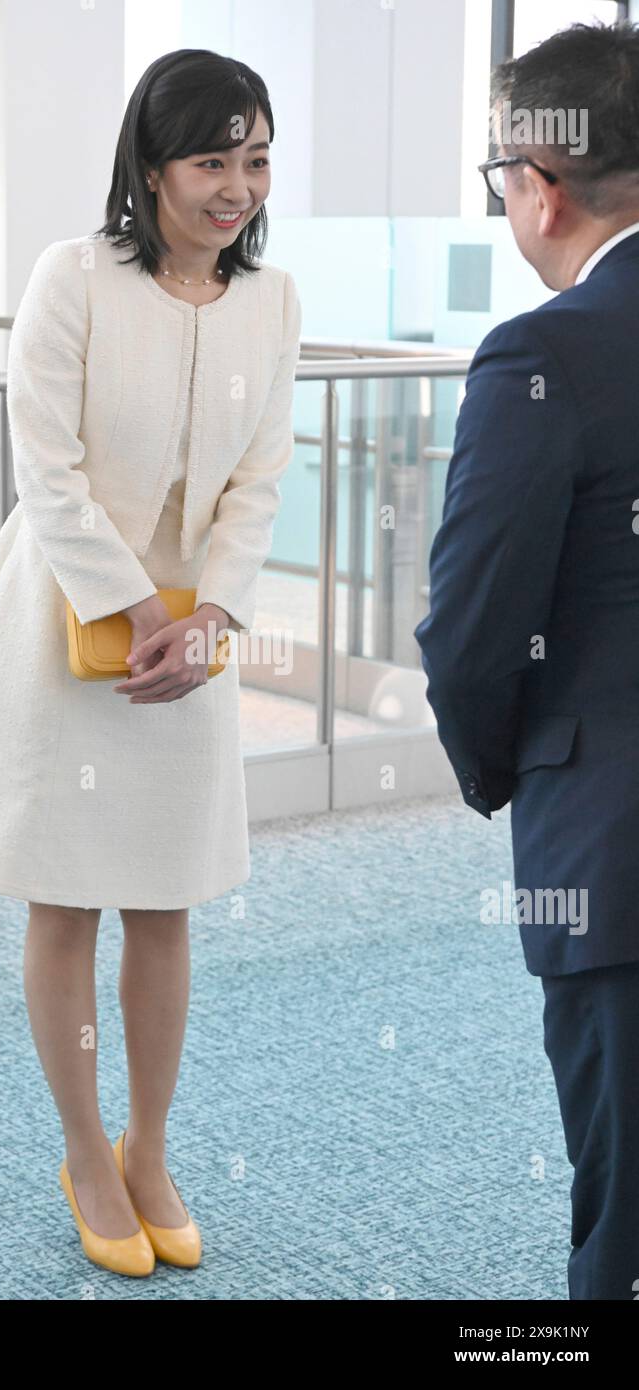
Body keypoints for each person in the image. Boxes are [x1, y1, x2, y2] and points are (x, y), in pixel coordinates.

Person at [0, 49, 302, 1277]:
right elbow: (48, 474)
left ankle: (150, 1144)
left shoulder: (273, 305)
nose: (237, 188)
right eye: (211, 162)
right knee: (66, 895)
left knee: (165, 899)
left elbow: (258, 481)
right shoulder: (72, 279)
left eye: (257, 160)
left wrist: (214, 614)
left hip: (194, 635)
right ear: (152, 166)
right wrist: (137, 610)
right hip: (70, 612)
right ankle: (81, 1149)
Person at [414, 19, 639, 1300]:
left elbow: (475, 627)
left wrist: (501, 768)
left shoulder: (543, 353)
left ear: (537, 186)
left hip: (615, 850)